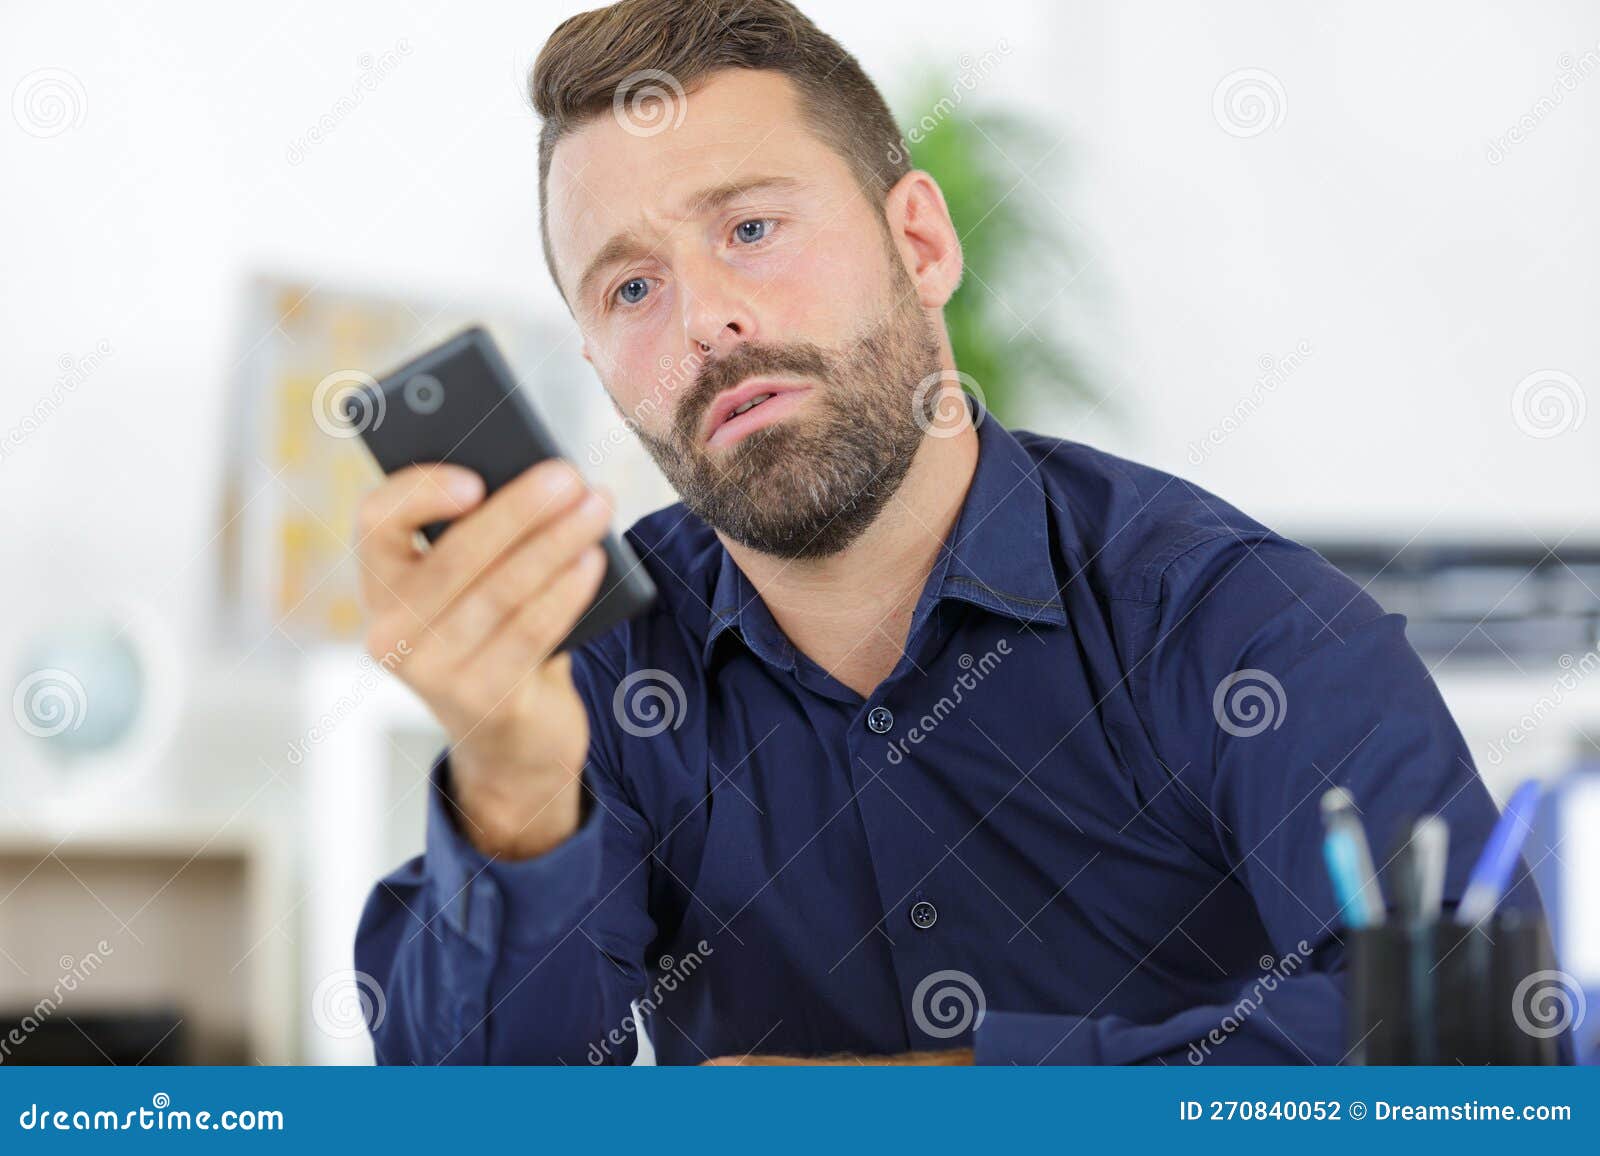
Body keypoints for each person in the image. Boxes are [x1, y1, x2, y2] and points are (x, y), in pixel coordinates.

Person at [351, 0, 1541, 1064]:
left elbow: (1478, 1055)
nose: (704, 318)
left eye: (751, 228)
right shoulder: (595, 675)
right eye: (630, 288)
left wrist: (937, 1102)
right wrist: (514, 788)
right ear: (599, 363)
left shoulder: (1236, 625)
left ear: (918, 243)